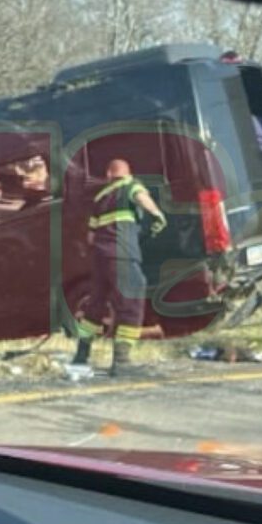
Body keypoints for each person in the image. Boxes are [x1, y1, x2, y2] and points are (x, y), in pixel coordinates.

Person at [71, 158, 167, 376]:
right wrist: (157, 216)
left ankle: (81, 356)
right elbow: (142, 198)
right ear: (128, 173)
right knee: (131, 303)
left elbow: (90, 237)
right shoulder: (130, 186)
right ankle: (122, 361)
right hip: (123, 254)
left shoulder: (100, 197)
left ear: (108, 175)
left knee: (95, 306)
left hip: (100, 259)